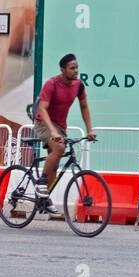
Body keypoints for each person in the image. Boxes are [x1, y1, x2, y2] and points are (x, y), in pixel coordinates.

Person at [35, 53, 96, 196]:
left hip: (60, 126)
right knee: (59, 148)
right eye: (72, 68)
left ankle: (43, 200)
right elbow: (42, 109)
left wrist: (89, 130)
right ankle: (42, 182)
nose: (76, 71)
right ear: (62, 70)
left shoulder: (78, 85)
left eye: (77, 68)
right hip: (44, 122)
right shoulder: (52, 84)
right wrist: (53, 132)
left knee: (55, 165)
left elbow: (84, 107)